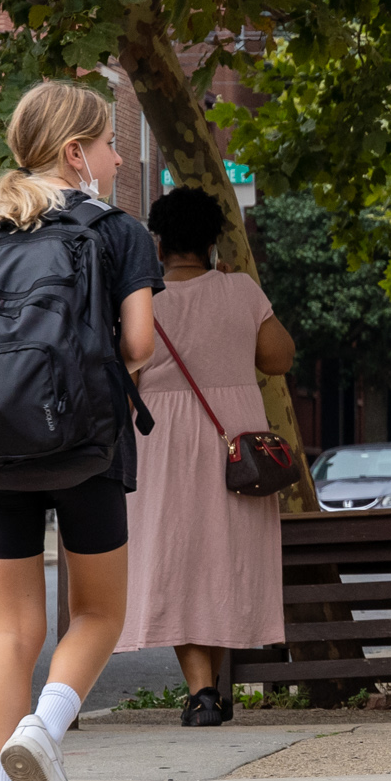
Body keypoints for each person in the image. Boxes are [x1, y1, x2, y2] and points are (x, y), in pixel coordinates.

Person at [0, 81, 160, 781]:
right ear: (77, 154)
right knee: (99, 613)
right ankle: (44, 731)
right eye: (106, 144)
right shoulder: (117, 230)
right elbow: (138, 347)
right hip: (83, 444)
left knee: (12, 631)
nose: (112, 157)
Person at [116, 187, 295, 726]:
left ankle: (204, 692)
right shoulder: (240, 289)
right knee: (224, 558)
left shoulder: (142, 299)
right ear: (215, 240)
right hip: (234, 440)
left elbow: (127, 369)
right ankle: (206, 691)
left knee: (179, 560)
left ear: (159, 242)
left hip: (160, 440)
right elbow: (279, 358)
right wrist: (240, 296)